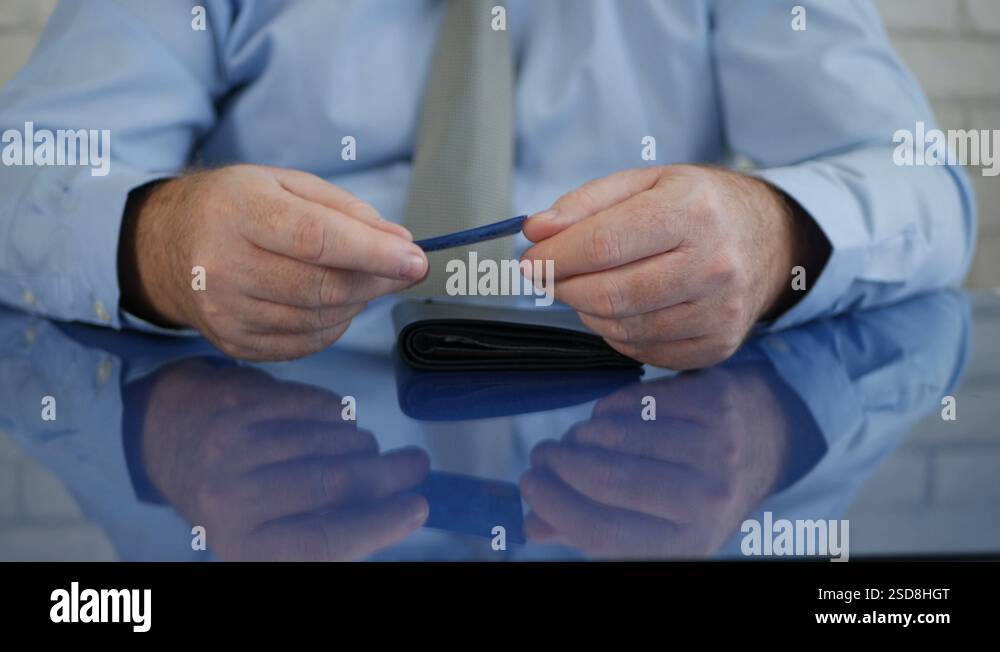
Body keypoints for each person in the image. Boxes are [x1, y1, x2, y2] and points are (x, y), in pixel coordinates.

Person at [0, 0, 974, 368]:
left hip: (646, 439)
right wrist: (164, 243)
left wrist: (771, 238)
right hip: (266, 432)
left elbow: (921, 188)